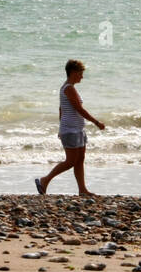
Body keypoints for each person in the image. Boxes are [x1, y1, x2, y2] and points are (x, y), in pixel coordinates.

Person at [35, 59, 104, 196]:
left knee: (80, 160)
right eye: (80, 73)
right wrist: (96, 122)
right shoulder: (69, 89)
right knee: (71, 161)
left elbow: (61, 109)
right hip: (70, 130)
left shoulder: (67, 87)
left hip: (77, 129)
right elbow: (79, 109)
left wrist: (61, 126)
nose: (82, 77)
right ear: (73, 72)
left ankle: (82, 190)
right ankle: (45, 180)